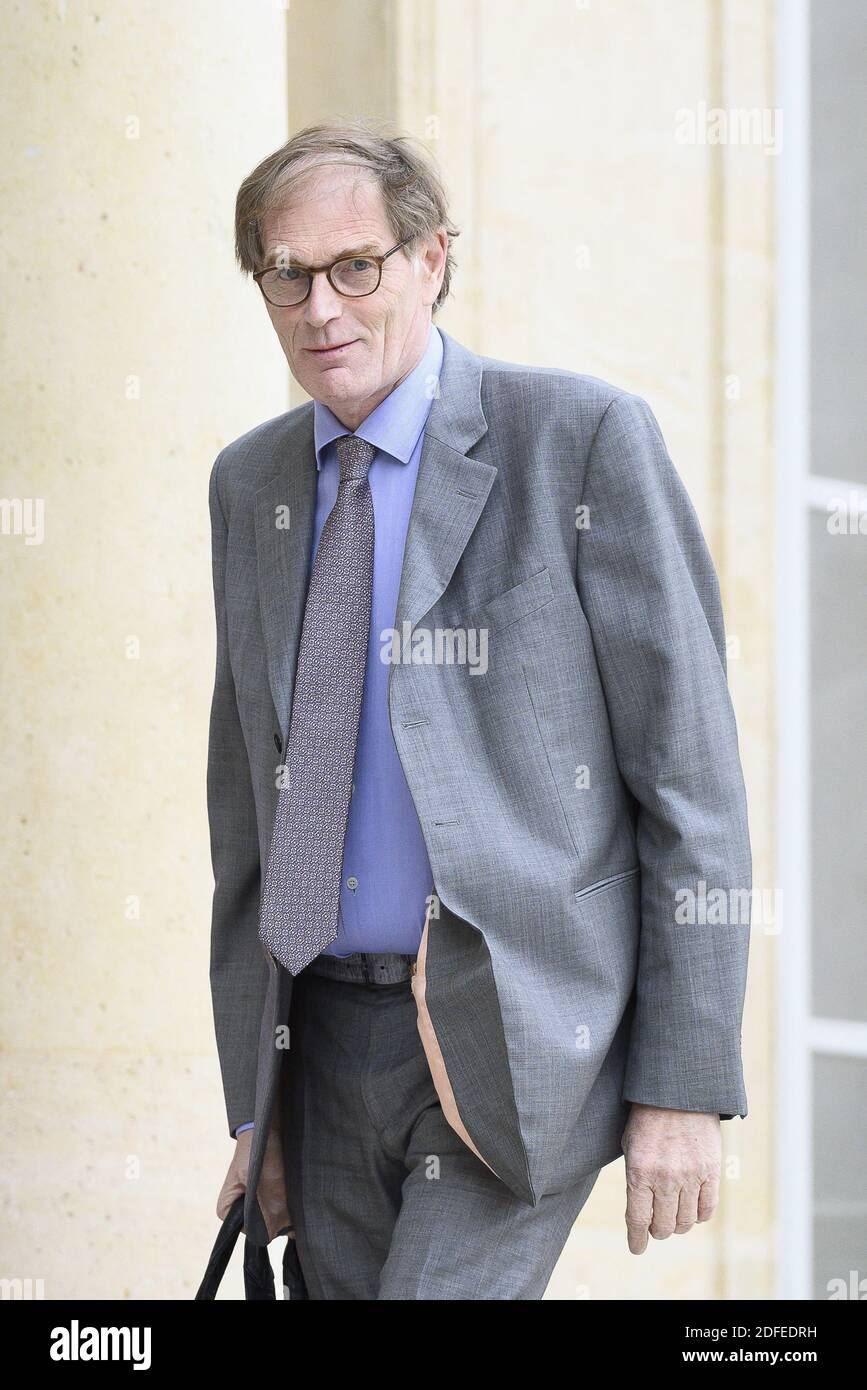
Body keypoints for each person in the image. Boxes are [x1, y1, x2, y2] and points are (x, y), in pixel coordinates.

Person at [209, 118, 751, 1300]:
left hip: (514, 1032)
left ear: (432, 260)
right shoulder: (250, 486)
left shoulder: (580, 441)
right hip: (322, 1045)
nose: (321, 307)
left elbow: (691, 780)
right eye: (286, 275)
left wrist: (683, 1081)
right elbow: (248, 816)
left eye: (357, 265)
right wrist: (258, 1102)